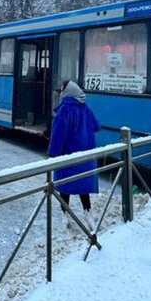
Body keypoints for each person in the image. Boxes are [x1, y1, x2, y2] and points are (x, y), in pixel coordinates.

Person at [48, 80, 101, 229]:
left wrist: (53, 154)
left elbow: (58, 136)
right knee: (83, 187)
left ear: (66, 92)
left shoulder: (64, 110)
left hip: (68, 157)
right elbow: (97, 126)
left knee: (65, 187)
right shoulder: (86, 108)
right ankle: (88, 215)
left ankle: (65, 217)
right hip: (85, 158)